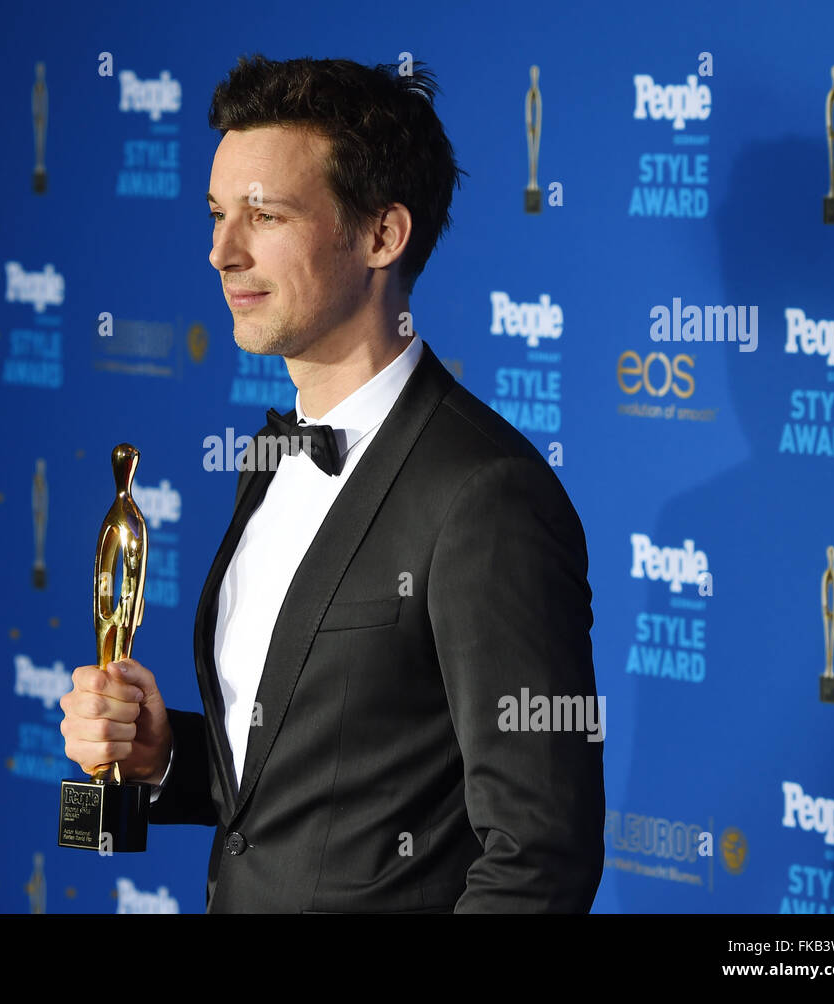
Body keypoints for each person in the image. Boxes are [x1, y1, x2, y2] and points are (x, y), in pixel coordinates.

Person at [59, 54, 604, 913]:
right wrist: (167, 759)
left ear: (383, 235)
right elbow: (315, 788)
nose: (221, 252)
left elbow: (539, 854)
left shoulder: (484, 494)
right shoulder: (271, 461)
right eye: (215, 214)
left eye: (264, 215)